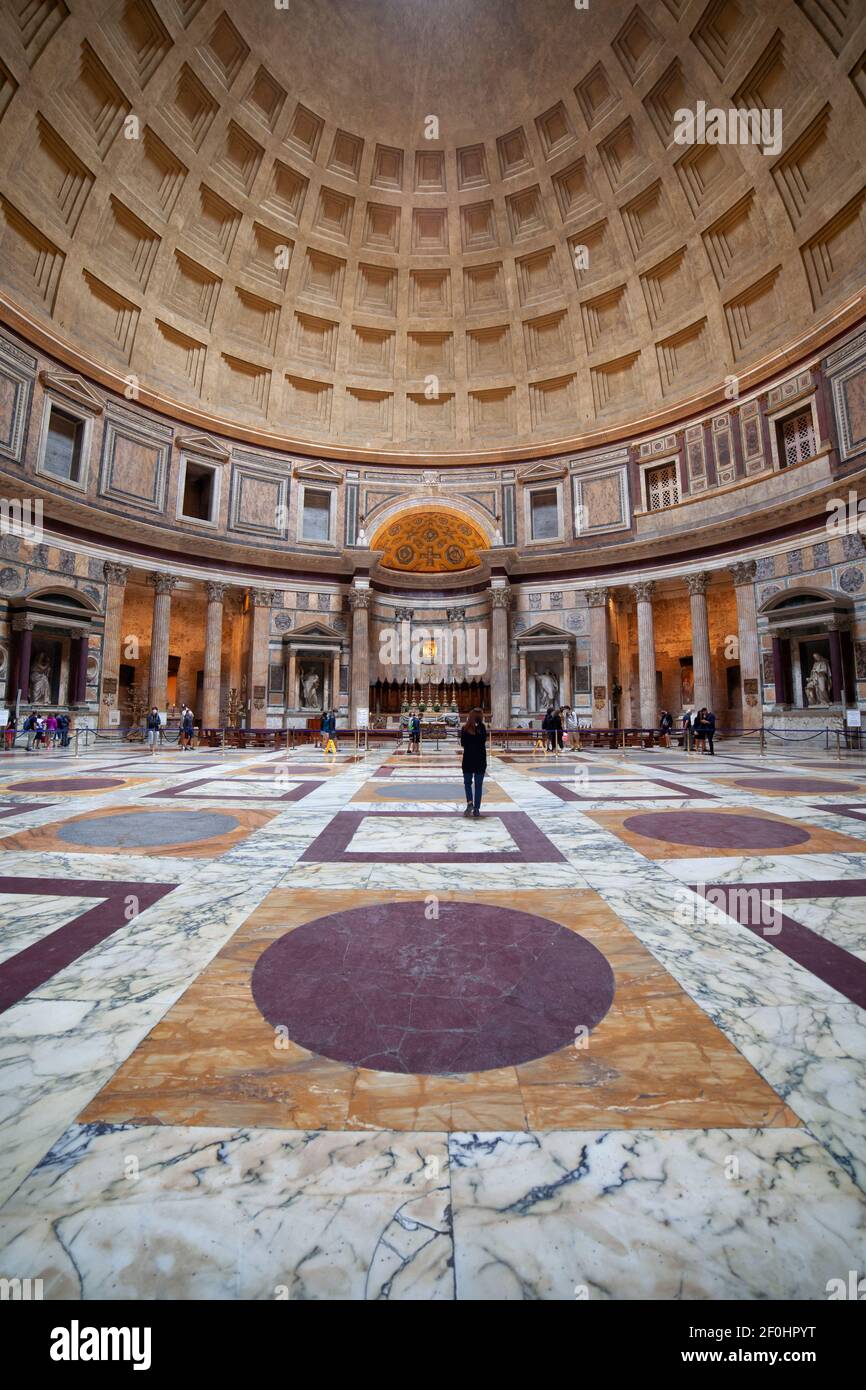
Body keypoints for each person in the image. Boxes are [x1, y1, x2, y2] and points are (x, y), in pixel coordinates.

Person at [460, 707, 487, 818]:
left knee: (467, 784)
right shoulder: (482, 728)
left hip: (468, 759)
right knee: (478, 785)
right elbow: (483, 741)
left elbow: (462, 743)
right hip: (480, 759)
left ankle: (470, 803)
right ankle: (476, 809)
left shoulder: (465, 728)